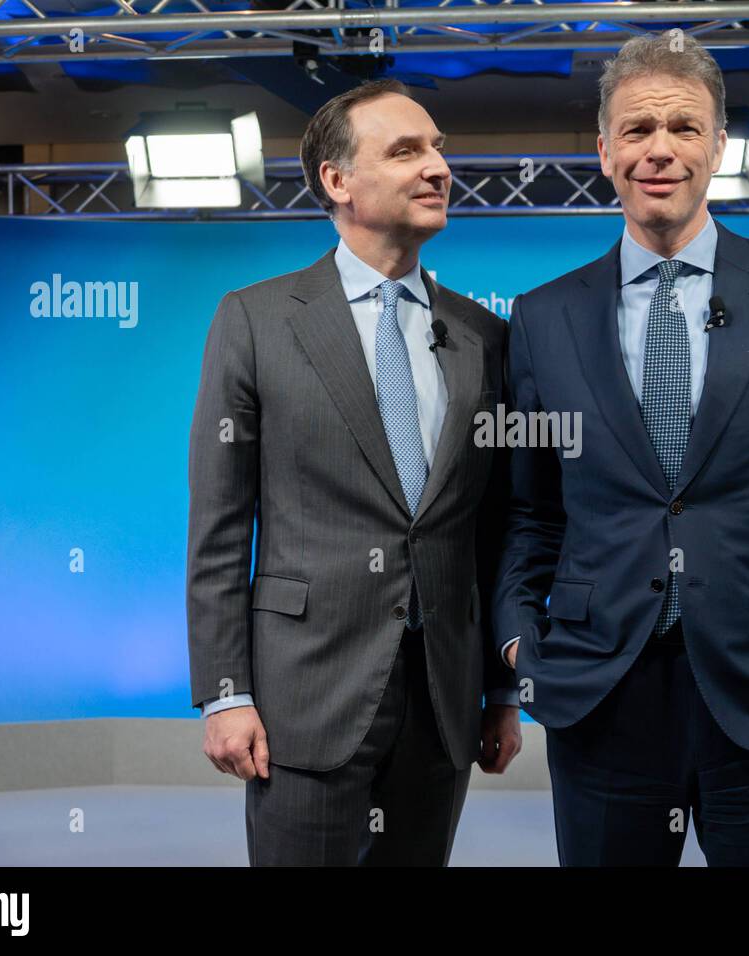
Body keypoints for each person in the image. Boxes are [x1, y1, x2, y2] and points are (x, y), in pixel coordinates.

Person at [494, 33, 749, 865]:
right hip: (602, 694)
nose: (660, 149)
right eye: (637, 130)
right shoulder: (543, 317)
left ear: (717, 146)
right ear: (604, 150)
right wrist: (516, 640)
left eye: (684, 127)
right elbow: (528, 510)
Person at [187, 79, 520, 866]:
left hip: (443, 702)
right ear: (337, 182)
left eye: (439, 147)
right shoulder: (256, 320)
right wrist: (227, 693)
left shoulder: (485, 337)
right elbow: (220, 527)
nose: (437, 167)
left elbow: (496, 527)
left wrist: (503, 691)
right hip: (304, 699)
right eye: (406, 150)